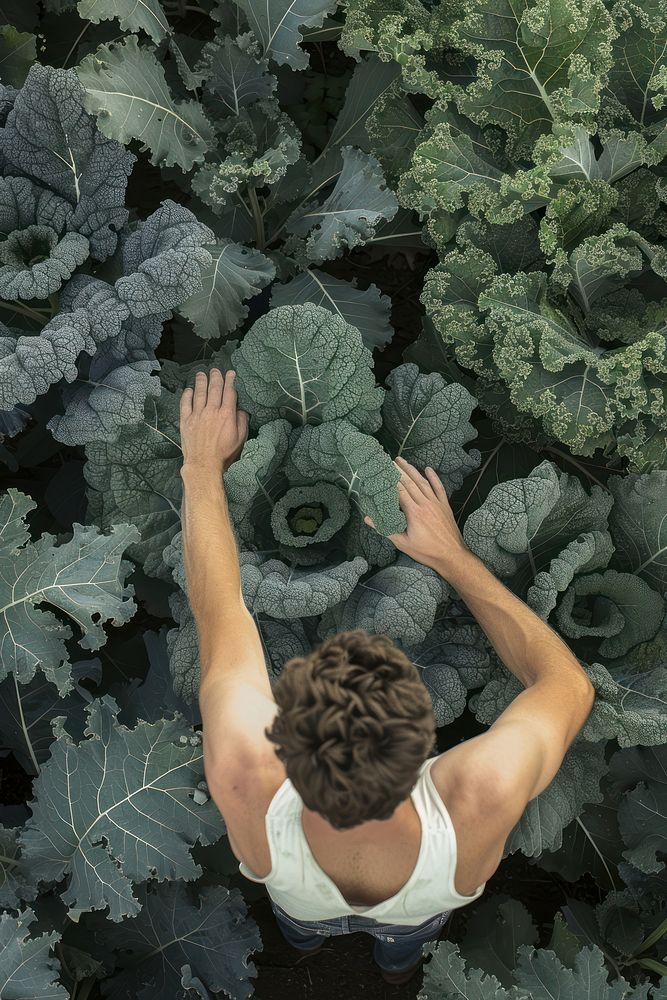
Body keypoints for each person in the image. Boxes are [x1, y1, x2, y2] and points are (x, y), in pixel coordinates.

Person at [179, 368, 596, 985]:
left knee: (300, 924)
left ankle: (304, 939)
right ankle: (397, 964)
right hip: (418, 909)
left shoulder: (247, 775)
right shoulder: (478, 795)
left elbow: (217, 607)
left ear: (286, 737)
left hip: (299, 896)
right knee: (406, 943)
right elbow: (569, 686)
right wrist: (454, 557)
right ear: (427, 745)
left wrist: (201, 468)